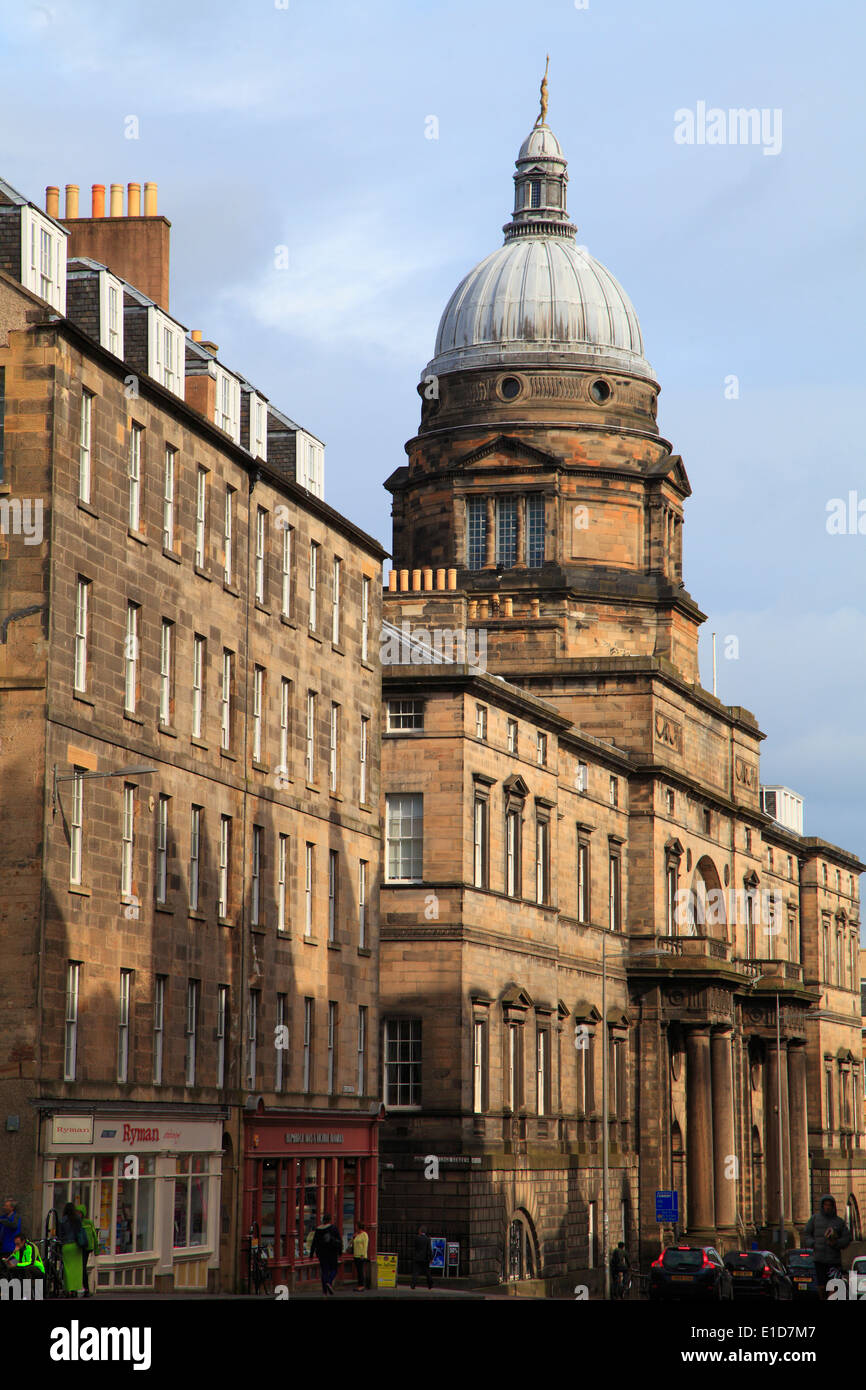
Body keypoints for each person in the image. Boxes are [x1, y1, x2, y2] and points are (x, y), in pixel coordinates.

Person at [803, 1193, 851, 1297]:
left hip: (834, 1261)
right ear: (822, 1206)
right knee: (821, 1287)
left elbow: (847, 1239)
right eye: (825, 1205)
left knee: (833, 1287)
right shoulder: (814, 1219)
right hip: (819, 1259)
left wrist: (837, 1243)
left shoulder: (839, 1222)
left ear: (833, 1206)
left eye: (829, 1205)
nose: (827, 1207)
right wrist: (812, 1243)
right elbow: (806, 1234)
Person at [310, 1213, 342, 1296]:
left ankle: (324, 1292)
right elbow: (339, 1241)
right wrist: (340, 1252)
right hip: (332, 1252)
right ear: (330, 1220)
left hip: (321, 1253)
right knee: (334, 1269)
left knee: (324, 1271)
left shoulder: (318, 1230)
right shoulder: (333, 1228)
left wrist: (311, 1254)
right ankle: (329, 1282)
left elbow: (314, 1242)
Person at [59, 1201, 84, 1298]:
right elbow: (80, 1232)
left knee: (67, 1268)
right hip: (76, 1246)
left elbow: (60, 1235)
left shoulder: (62, 1220)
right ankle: (75, 1289)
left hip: (66, 1246)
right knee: (76, 1269)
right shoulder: (77, 1219)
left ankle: (68, 1289)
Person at [74, 1197, 97, 1298]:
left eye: (79, 1212)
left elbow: (94, 1236)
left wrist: (96, 1249)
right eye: (77, 1212)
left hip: (86, 1248)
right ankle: (80, 1288)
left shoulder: (87, 1223)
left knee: (83, 1268)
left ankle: (86, 1288)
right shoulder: (77, 1222)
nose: (78, 1214)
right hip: (78, 1247)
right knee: (80, 1268)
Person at [410, 1226, 433, 1290]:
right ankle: (430, 1285)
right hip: (425, 1258)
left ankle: (413, 1285)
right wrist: (431, 1258)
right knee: (427, 1272)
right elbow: (429, 1249)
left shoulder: (416, 1238)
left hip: (417, 1258)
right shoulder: (428, 1239)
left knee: (415, 1272)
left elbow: (415, 1247)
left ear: (420, 1231)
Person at [0, 1198, 21, 1263]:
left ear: (12, 1208)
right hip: (3, 1248)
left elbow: (14, 1225)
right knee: (3, 1268)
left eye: (6, 1206)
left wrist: (2, 1221)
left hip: (12, 1248)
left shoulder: (16, 1217)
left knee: (13, 1266)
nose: (4, 1207)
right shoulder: (3, 1217)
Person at [352, 1224, 369, 1291]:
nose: (355, 1228)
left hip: (361, 1256)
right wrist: (353, 1237)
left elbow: (365, 1245)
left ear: (359, 1227)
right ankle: (359, 1285)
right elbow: (352, 1243)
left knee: (360, 1271)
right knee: (358, 1271)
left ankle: (361, 1285)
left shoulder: (364, 1235)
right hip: (356, 1255)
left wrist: (363, 1254)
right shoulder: (357, 1234)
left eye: (356, 1227)